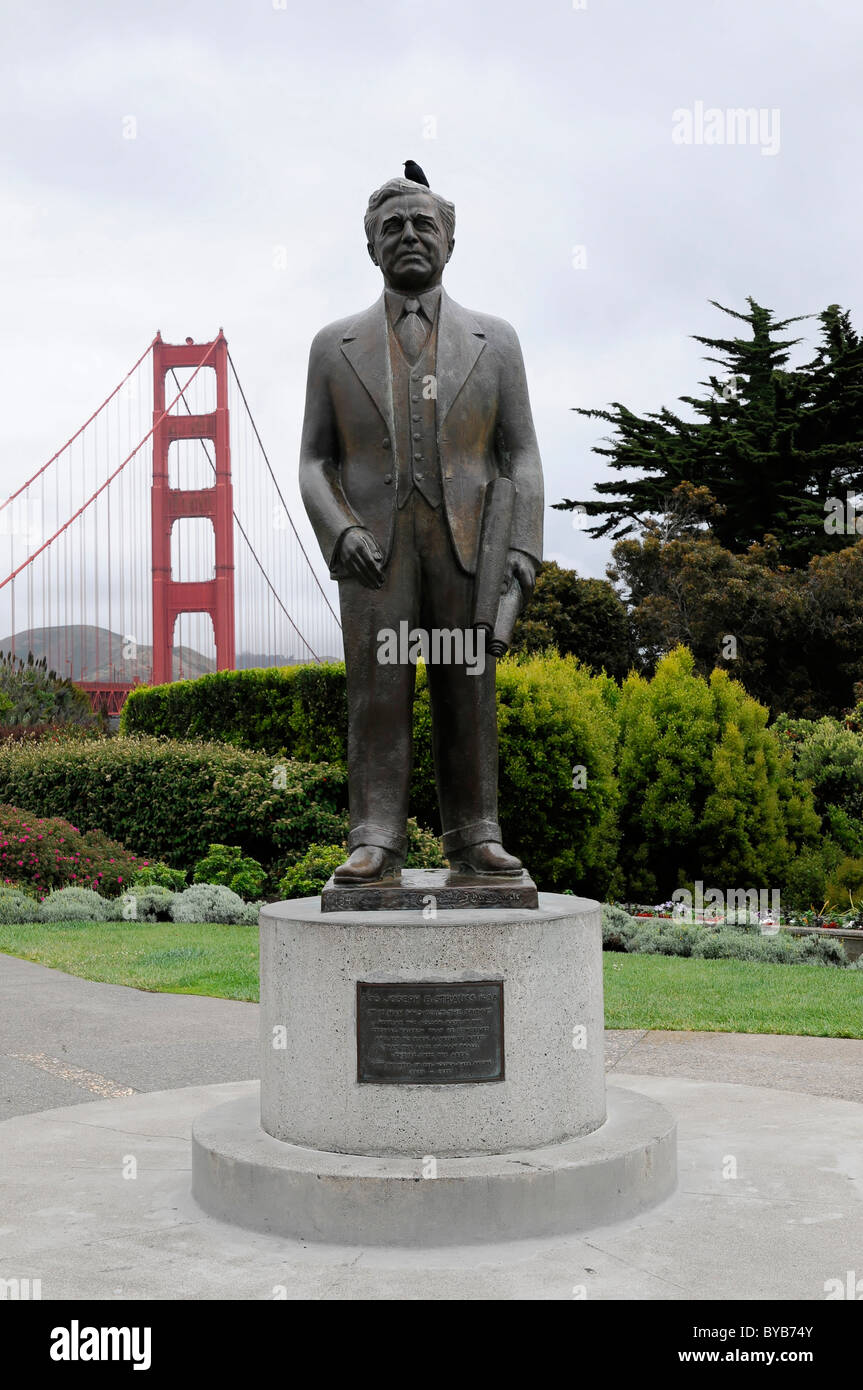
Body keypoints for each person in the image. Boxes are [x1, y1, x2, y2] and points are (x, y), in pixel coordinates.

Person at [300, 176, 543, 883]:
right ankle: (374, 836)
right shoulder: (331, 345)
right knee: (377, 690)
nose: (408, 235)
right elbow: (314, 461)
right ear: (371, 246)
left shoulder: (496, 342)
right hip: (372, 549)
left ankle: (475, 837)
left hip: (471, 543)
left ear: (450, 240)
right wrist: (339, 530)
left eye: (422, 224)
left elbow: (520, 454)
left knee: (467, 688)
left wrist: (522, 554)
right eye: (392, 226)